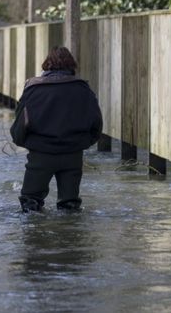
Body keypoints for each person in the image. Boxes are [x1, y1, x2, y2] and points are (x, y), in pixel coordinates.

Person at [10, 46, 102, 212]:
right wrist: (82, 143)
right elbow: (96, 124)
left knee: (30, 204)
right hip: (72, 154)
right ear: (72, 65)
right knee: (70, 206)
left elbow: (19, 126)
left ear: (46, 65)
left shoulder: (33, 89)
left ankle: (33, 236)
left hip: (40, 154)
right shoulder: (83, 90)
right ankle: (69, 235)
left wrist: (29, 144)